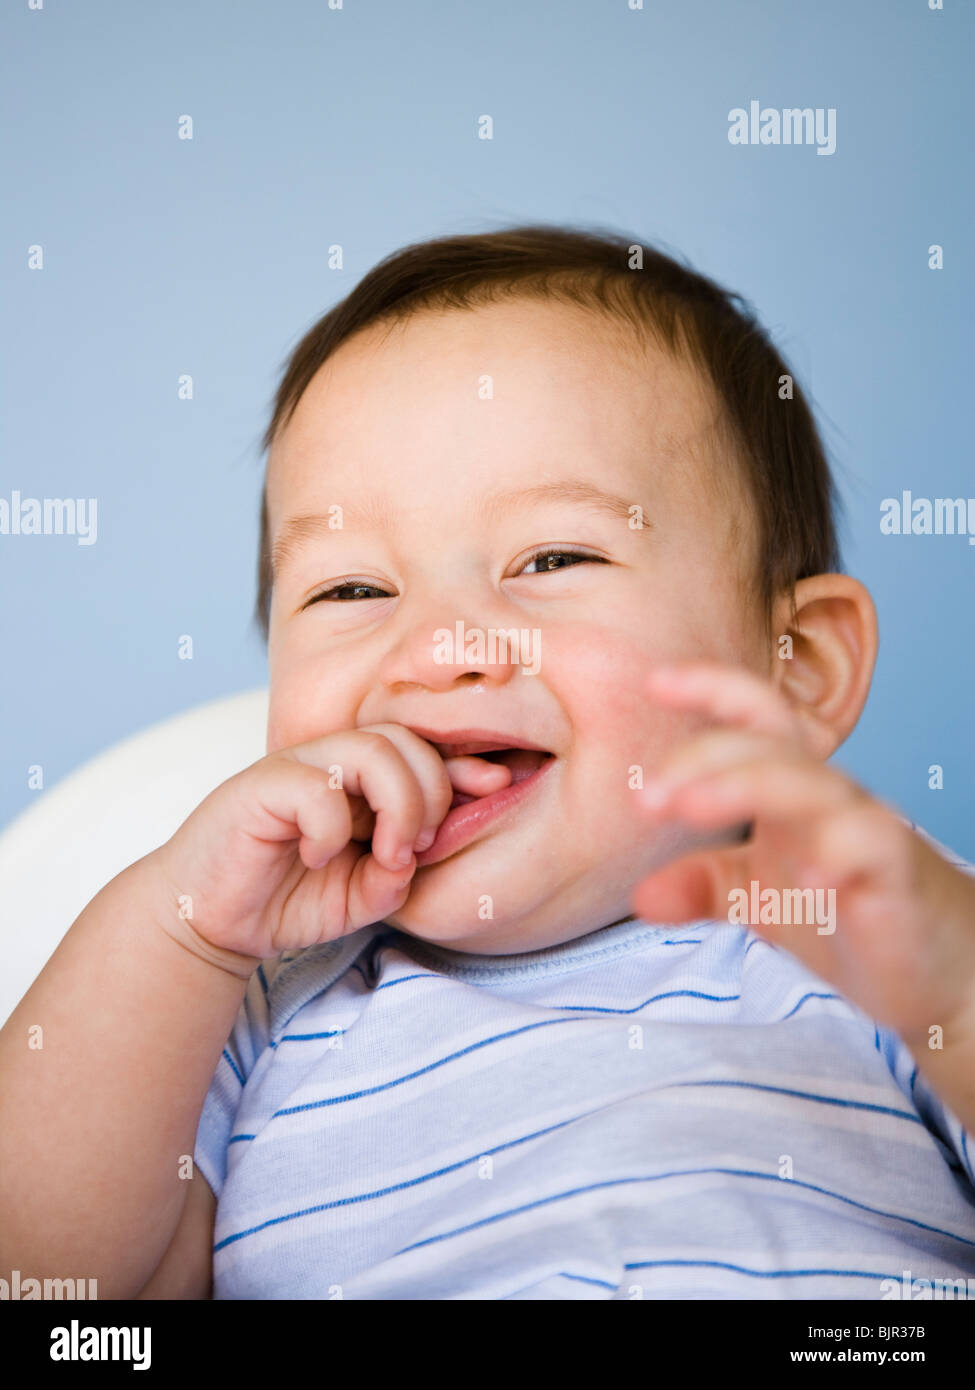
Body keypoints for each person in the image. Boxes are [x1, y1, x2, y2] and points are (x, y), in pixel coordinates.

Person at [2, 225, 973, 1300]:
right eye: (350, 590)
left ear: (796, 670)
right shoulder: (254, 1013)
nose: (441, 648)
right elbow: (46, 1288)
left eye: (553, 558)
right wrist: (183, 931)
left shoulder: (871, 936)